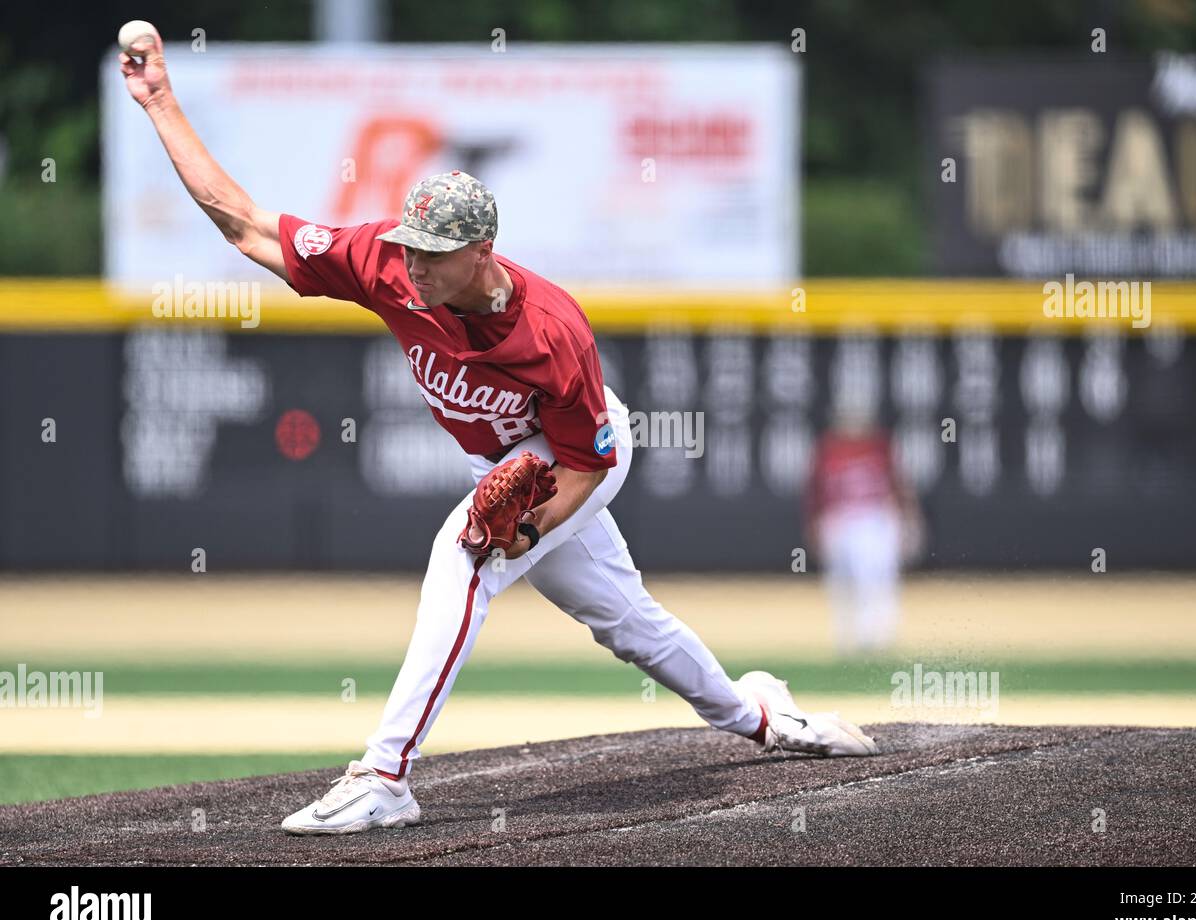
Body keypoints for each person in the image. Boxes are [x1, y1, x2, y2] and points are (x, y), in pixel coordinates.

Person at [118, 28, 878, 836]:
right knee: (630, 626)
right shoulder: (384, 261)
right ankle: (762, 715)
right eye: (412, 248)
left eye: (436, 255)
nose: (415, 266)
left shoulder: (552, 333)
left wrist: (526, 526)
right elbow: (244, 227)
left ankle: (384, 775)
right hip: (517, 460)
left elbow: (588, 461)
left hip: (584, 452)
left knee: (463, 554)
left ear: (483, 251)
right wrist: (161, 102)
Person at [806, 409, 923, 655]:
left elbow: (900, 485)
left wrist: (909, 520)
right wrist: (815, 524)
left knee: (877, 580)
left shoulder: (880, 446)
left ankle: (878, 638)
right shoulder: (828, 448)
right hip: (838, 520)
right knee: (840, 583)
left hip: (874, 520)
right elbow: (814, 491)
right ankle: (846, 639)